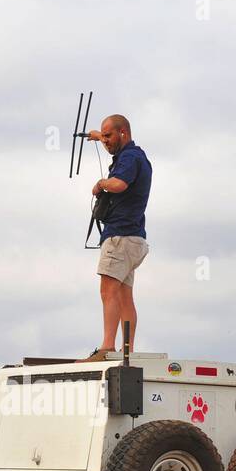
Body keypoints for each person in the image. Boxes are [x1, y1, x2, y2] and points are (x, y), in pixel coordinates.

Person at [79, 114, 151, 362]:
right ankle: (126, 350)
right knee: (124, 296)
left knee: (108, 291)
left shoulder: (129, 158)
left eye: (108, 136)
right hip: (135, 240)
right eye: (103, 136)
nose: (105, 141)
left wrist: (101, 184)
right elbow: (110, 139)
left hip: (119, 237)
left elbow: (119, 184)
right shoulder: (138, 156)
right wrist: (96, 136)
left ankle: (106, 347)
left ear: (123, 133)